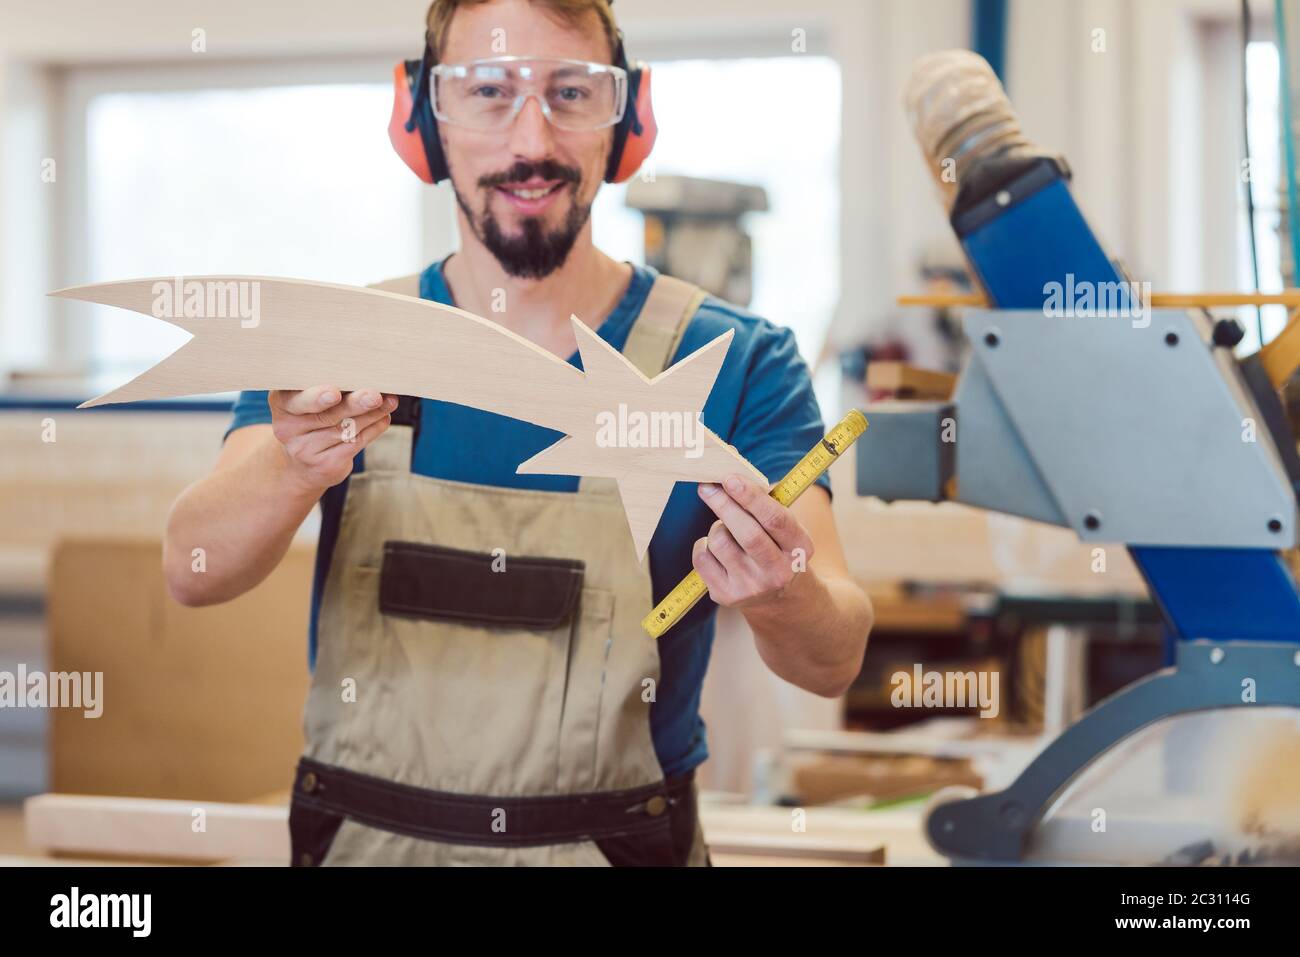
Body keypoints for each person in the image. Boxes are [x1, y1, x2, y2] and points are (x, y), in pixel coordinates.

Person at [164, 0, 873, 866]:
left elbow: (834, 660)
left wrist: (780, 590)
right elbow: (191, 572)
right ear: (421, 119)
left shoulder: (736, 360)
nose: (530, 140)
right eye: (488, 91)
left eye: (571, 92)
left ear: (629, 122)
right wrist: (290, 464)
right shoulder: (335, 346)